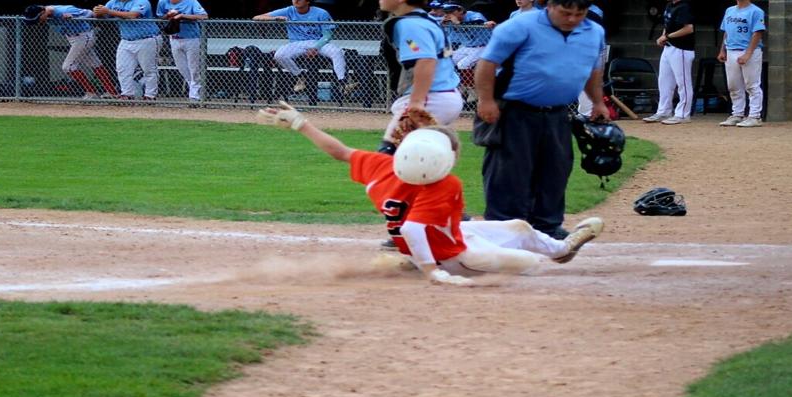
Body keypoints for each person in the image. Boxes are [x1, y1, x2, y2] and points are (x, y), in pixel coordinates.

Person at [254, 102, 605, 286]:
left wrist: (301, 124)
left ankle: (562, 249)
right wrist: (431, 271)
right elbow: (412, 228)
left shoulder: (381, 166)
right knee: (530, 265)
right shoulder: (443, 183)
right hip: (452, 254)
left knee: (519, 227)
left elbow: (340, 151)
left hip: (447, 233)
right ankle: (417, 264)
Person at [473, 0, 609, 238]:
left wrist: (597, 102)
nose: (572, 19)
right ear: (550, 6)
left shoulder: (594, 32)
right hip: (514, 111)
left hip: (558, 113)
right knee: (509, 173)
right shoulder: (519, 26)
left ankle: (547, 227)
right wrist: (486, 100)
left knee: (555, 170)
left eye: (580, 13)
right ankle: (504, 227)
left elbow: (593, 71)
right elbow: (487, 63)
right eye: (566, 12)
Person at [376, 0, 463, 154]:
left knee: (389, 155)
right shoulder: (423, 19)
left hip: (431, 97)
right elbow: (419, 51)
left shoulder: (410, 25)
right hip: (443, 95)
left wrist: (416, 102)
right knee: (423, 159)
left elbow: (425, 60)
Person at [253, 0, 356, 98]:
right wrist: (275, 18)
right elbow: (256, 17)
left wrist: (315, 48)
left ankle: (343, 82)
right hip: (297, 43)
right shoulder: (289, 10)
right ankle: (301, 77)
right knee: (280, 55)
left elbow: (327, 35)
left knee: (336, 52)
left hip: (318, 42)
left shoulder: (321, 13)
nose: (296, 0)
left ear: (308, 1)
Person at [21, 5, 119, 99]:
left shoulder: (66, 10)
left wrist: (75, 18)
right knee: (95, 64)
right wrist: (62, 18)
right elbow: (52, 13)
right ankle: (112, 92)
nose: (38, 22)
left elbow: (90, 13)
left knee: (68, 67)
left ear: (43, 12)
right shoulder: (48, 12)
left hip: (83, 36)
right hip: (73, 38)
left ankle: (91, 92)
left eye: (38, 19)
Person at [92, 0, 161, 101]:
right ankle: (127, 94)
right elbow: (101, 16)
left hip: (147, 38)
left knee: (149, 69)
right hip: (125, 39)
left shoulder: (142, 1)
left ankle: (150, 95)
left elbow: (132, 15)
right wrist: (98, 12)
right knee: (122, 68)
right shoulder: (113, 2)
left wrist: (108, 11)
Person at [644, 0, 694, 124]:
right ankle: (663, 111)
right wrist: (663, 37)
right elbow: (667, 25)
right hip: (668, 48)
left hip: (682, 49)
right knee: (664, 82)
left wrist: (667, 37)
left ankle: (683, 114)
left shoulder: (684, 6)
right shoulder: (670, 5)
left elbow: (689, 28)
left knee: (683, 83)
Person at [717, 0, 765, 127]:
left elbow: (757, 33)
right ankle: (737, 114)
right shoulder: (729, 10)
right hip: (731, 50)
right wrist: (722, 49)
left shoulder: (756, 11)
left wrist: (748, 54)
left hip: (749, 50)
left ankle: (755, 116)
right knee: (733, 85)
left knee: (752, 84)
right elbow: (727, 32)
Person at [439, 2, 495, 105]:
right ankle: (458, 87)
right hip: (467, 47)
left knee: (462, 64)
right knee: (447, 60)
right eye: (446, 12)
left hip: (484, 46)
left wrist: (458, 23)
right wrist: (443, 26)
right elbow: (451, 41)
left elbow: (478, 23)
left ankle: (472, 91)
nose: (448, 14)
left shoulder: (473, 15)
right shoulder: (450, 22)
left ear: (460, 10)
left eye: (451, 11)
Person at [157, 0, 207, 105]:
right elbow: (160, 17)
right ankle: (195, 92)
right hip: (174, 39)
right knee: (182, 68)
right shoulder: (163, 2)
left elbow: (204, 16)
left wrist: (182, 16)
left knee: (194, 68)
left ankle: (194, 97)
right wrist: (169, 15)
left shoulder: (191, 2)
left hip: (191, 39)